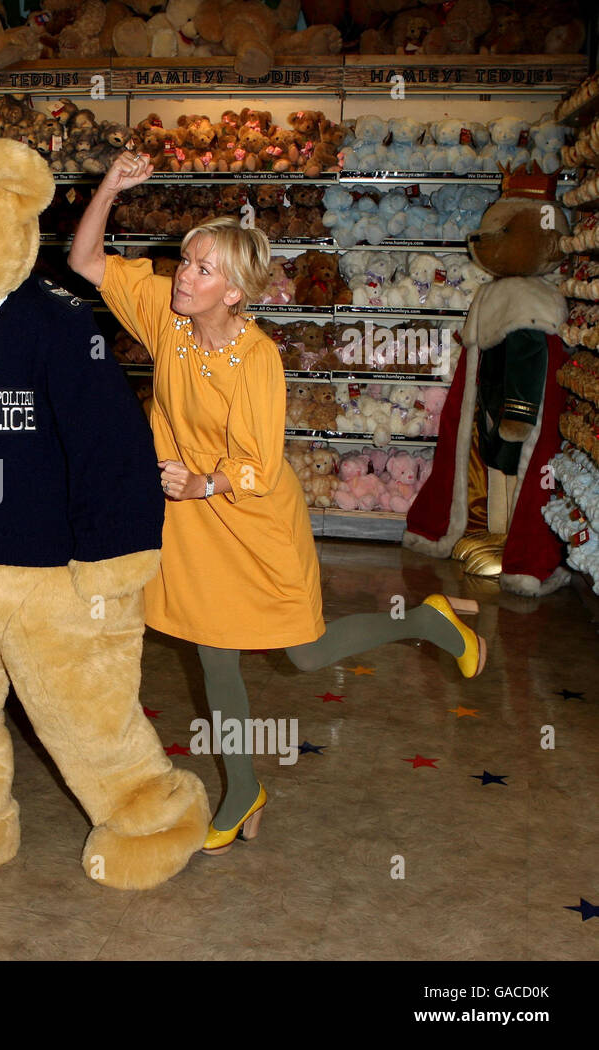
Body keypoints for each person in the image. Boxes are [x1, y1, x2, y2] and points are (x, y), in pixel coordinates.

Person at [68, 150, 488, 855]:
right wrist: (110, 185)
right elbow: (84, 261)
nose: (186, 276)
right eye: (186, 261)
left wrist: (202, 482)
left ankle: (428, 621)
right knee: (216, 658)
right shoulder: (167, 319)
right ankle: (243, 789)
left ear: (233, 293)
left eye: (203, 269)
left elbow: (257, 464)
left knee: (304, 652)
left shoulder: (258, 359)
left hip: (255, 518)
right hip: (195, 523)